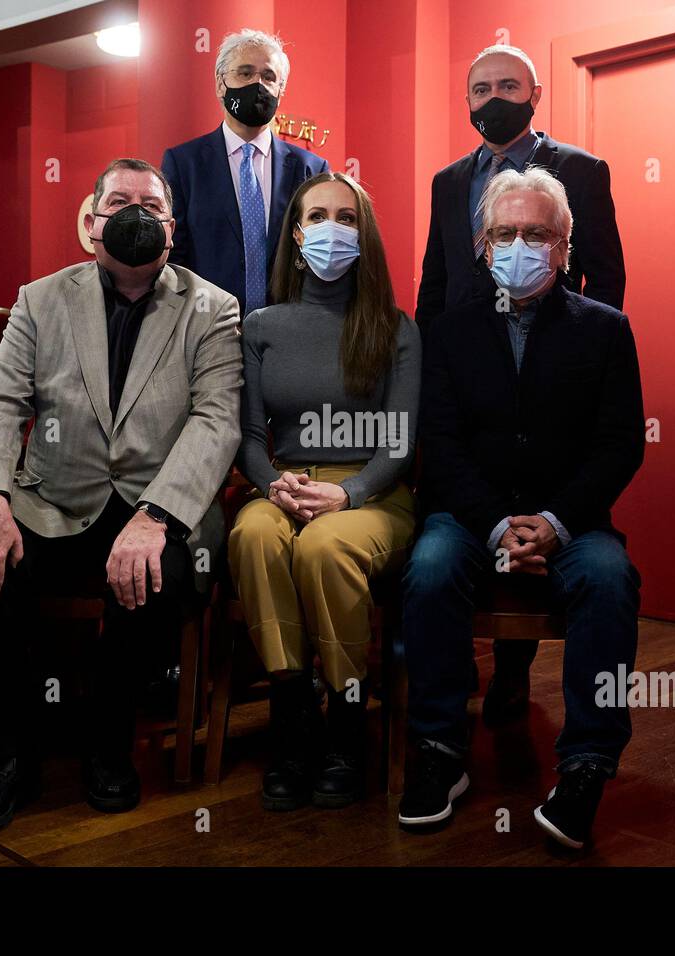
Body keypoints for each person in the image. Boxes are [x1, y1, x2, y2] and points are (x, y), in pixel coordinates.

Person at [0, 158, 243, 838]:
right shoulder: (41, 299)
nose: (135, 214)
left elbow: (216, 421)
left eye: (152, 205)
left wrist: (157, 516)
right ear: (90, 223)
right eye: (118, 202)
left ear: (171, 229)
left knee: (154, 572)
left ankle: (111, 747)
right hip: (51, 498)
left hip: (152, 501)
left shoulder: (213, 308)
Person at [398, 167, 644, 850]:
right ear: (481, 244)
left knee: (609, 580)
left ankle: (587, 764)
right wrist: (499, 525)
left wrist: (557, 522)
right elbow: (440, 444)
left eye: (537, 234)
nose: (520, 245)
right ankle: (440, 749)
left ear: (565, 246)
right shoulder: (448, 333)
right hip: (473, 516)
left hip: (571, 517)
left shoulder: (606, 329)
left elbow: (621, 445)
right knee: (428, 569)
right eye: (505, 233)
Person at [415, 42, 628, 725]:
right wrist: (432, 365)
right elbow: (436, 281)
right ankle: (439, 734)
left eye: (509, 85)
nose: (492, 98)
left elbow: (609, 278)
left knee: (595, 568)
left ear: (535, 96)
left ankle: (521, 683)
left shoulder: (581, 171)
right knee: (438, 557)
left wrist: (578, 346)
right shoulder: (451, 181)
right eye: (480, 88)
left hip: (553, 374)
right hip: (470, 378)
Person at [227, 171, 420, 812]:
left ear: (364, 235)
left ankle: (345, 717)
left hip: (372, 494)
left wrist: (350, 494)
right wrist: (271, 485)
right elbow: (251, 435)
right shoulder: (259, 325)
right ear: (296, 232)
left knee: (325, 548)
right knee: (252, 533)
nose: (331, 229)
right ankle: (291, 712)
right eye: (317, 217)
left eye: (346, 217)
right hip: (285, 484)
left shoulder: (395, 326)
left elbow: (399, 442)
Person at [162, 28, 330, 316]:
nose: (258, 84)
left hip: (286, 331)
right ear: (220, 84)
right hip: (206, 329)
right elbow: (173, 256)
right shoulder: (183, 163)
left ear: (281, 90)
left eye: (268, 77)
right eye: (245, 73)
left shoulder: (311, 169)